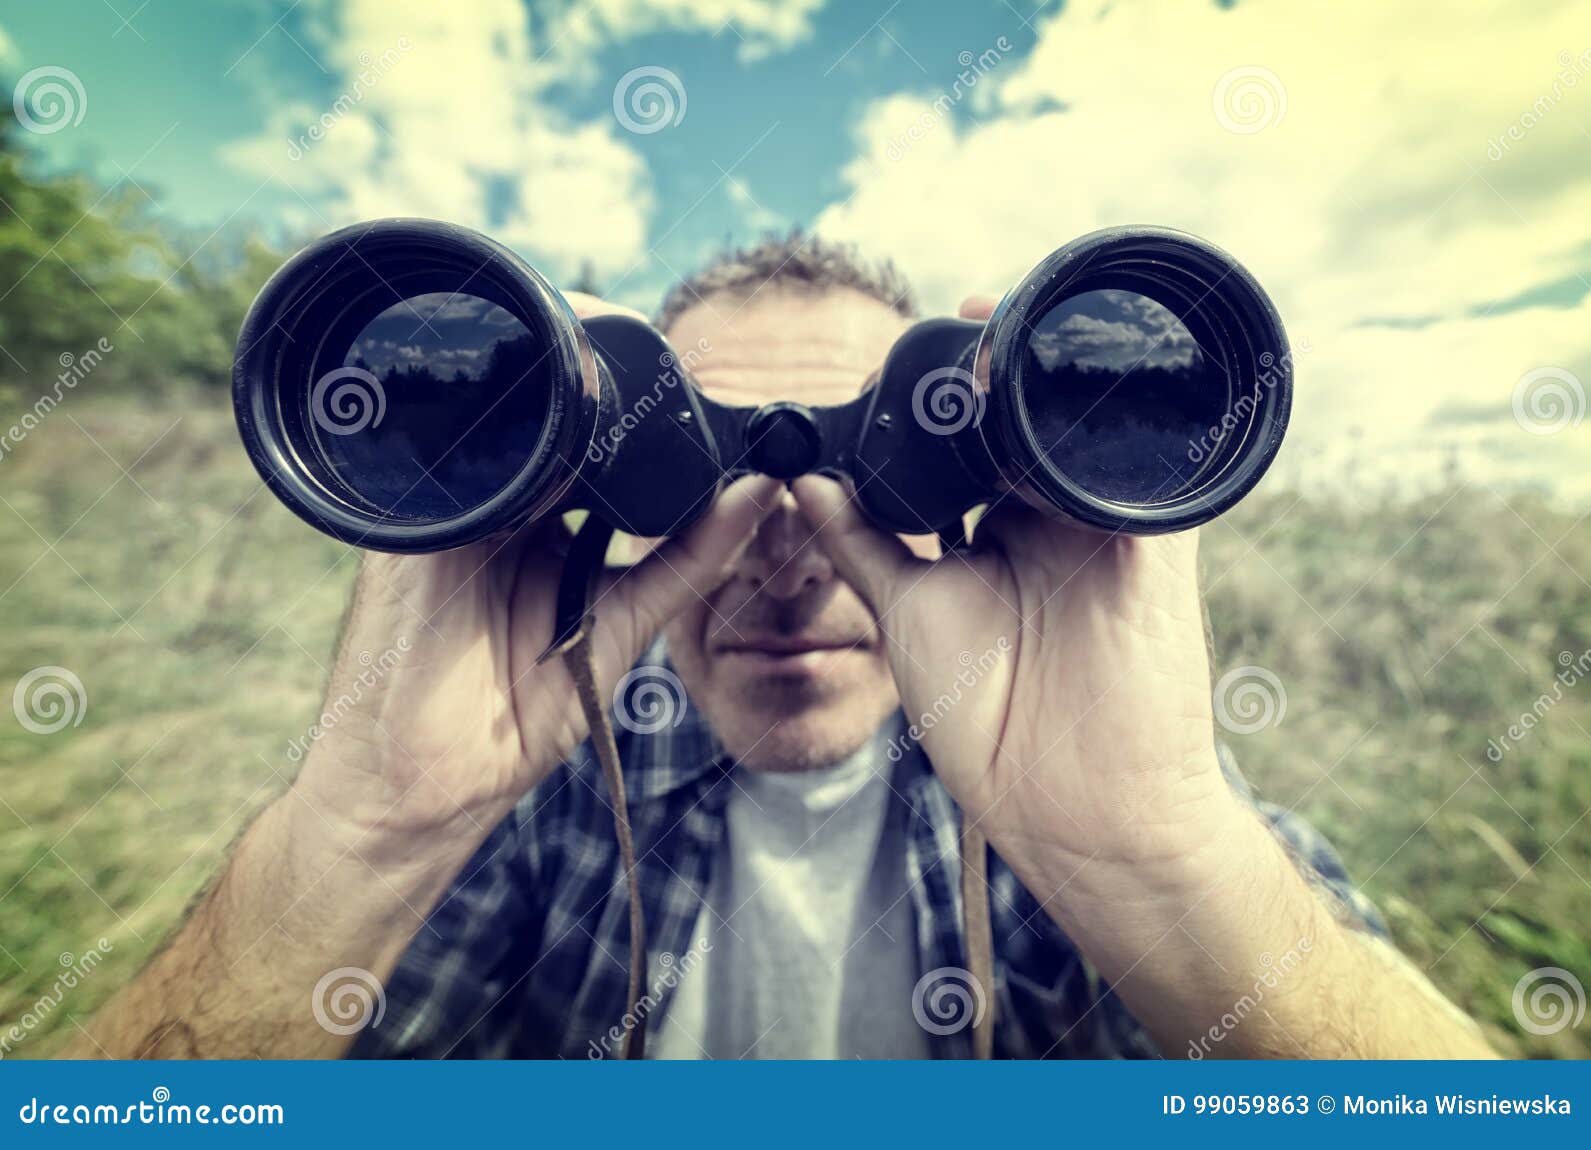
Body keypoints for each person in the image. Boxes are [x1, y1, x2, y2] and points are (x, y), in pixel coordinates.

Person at [66, 234, 1495, 1060]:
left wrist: (1162, 856)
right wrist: (368, 830)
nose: (793, 551)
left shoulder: (1075, 820)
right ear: (609, 472)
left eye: (867, 475)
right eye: (712, 475)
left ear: (976, 490)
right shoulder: (540, 811)